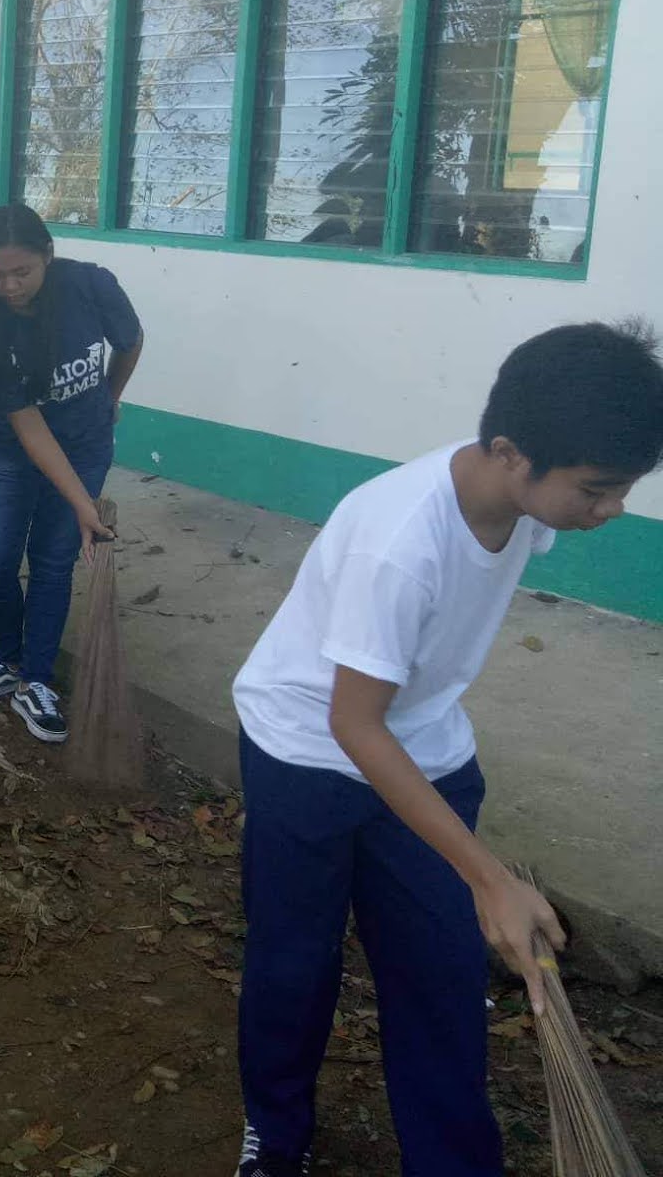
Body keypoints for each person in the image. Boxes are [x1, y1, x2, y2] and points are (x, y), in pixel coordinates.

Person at [229, 322, 663, 1177]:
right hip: (304, 753)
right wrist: (491, 877)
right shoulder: (400, 543)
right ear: (510, 453)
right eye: (597, 490)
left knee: (443, 974)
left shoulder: (521, 503)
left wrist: (482, 881)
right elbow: (354, 725)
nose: (611, 510)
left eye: (623, 489)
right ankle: (275, 1137)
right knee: (294, 962)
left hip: (424, 747)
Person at [0, 202, 143, 743]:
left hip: (85, 446)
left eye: (21, 271)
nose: (9, 286)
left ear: (47, 255)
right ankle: (4, 660)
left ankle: (36, 679)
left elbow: (130, 341)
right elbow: (31, 430)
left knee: (52, 563)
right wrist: (83, 505)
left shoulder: (90, 286)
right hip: (12, 452)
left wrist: (109, 398)